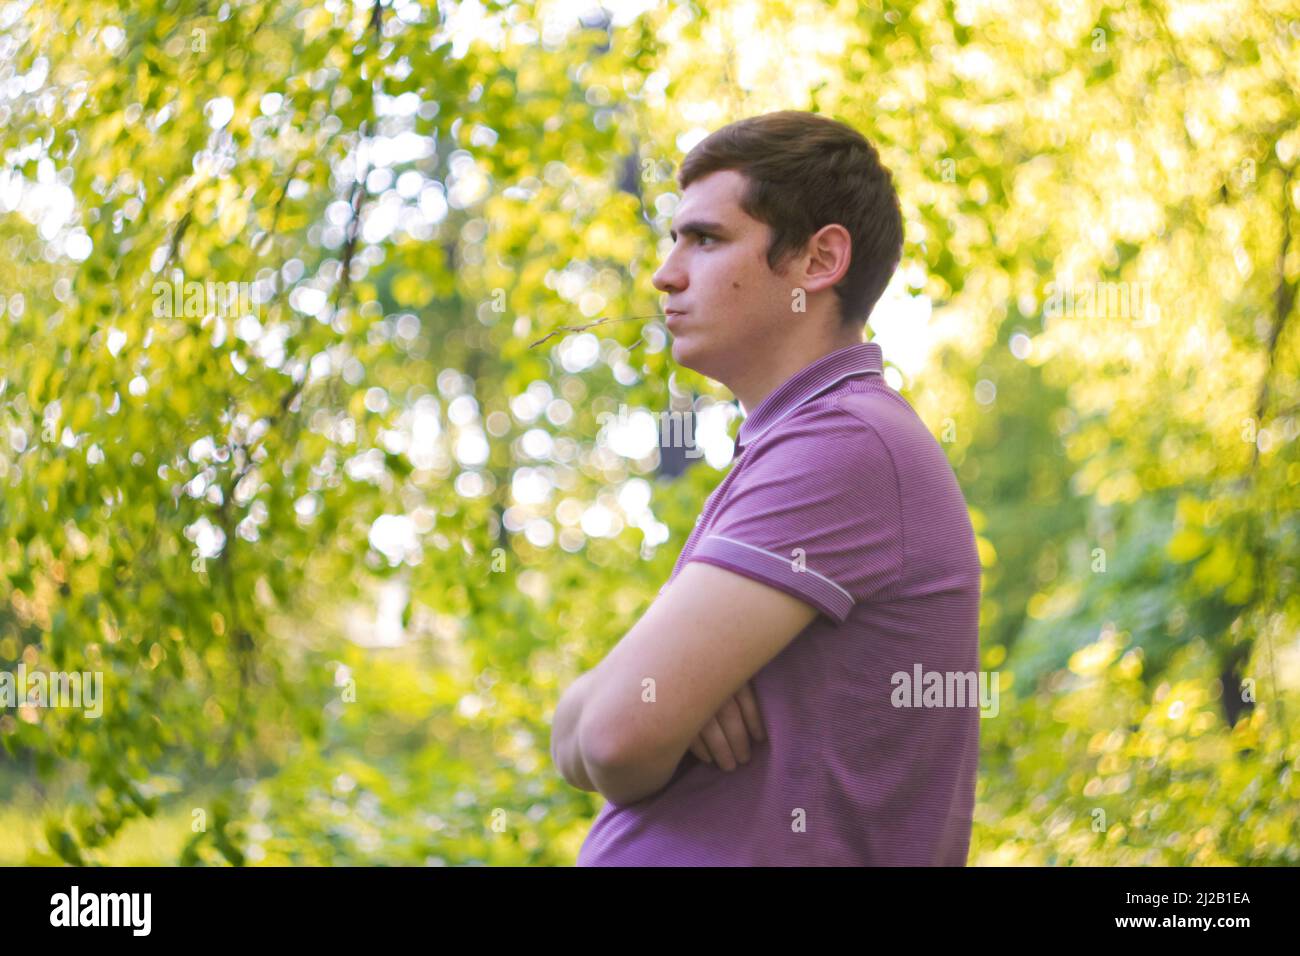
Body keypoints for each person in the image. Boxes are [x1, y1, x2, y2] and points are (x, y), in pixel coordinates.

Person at [550, 110, 982, 865]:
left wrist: (640, 701)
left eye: (706, 239)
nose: (666, 272)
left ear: (819, 261)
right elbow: (575, 734)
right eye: (674, 237)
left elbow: (613, 739)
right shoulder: (801, 446)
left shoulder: (841, 448)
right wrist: (654, 696)